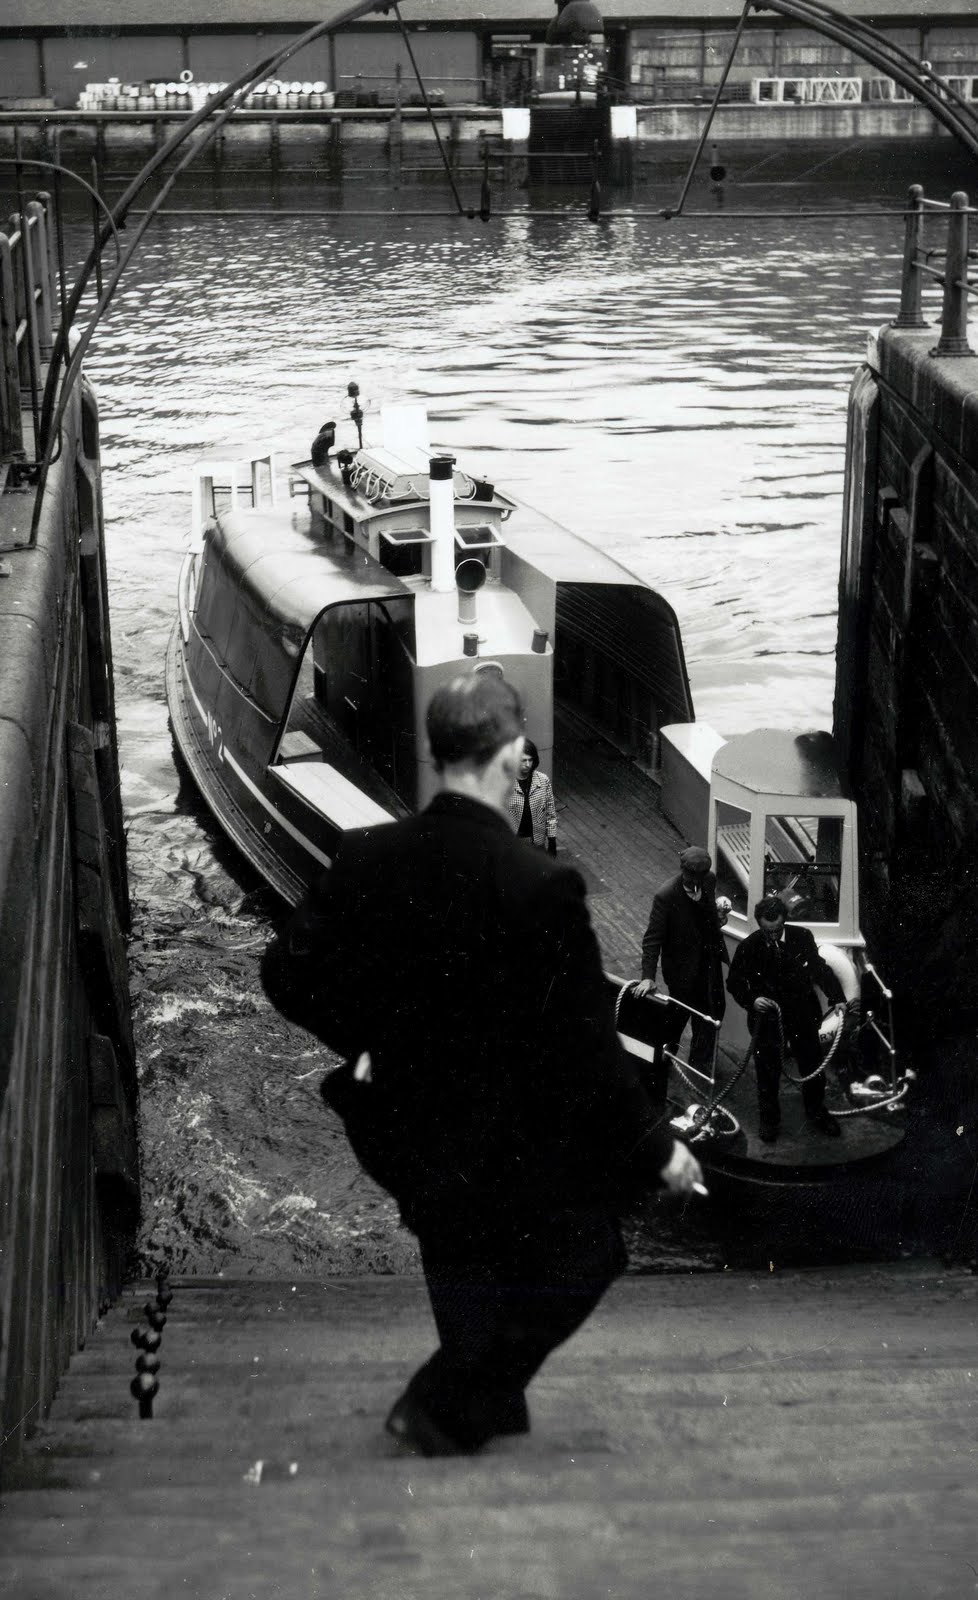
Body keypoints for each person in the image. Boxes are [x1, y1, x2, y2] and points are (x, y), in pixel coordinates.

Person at [261, 672, 702, 1456]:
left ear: (438, 757)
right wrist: (658, 1146)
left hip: (404, 1121)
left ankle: (474, 1406)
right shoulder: (540, 883)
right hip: (516, 1133)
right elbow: (586, 1043)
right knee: (588, 1252)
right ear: (510, 761)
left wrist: (369, 1041)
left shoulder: (368, 856)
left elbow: (286, 974)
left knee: (458, 1254)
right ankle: (446, 1402)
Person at [726, 894, 845, 1144]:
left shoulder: (802, 938)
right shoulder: (749, 946)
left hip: (802, 1015)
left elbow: (819, 969)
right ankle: (769, 1120)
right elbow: (734, 982)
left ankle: (817, 1112)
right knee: (767, 1072)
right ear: (759, 924)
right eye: (766, 931)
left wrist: (838, 997)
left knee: (812, 1065)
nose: (771, 936)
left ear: (784, 921)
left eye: (776, 930)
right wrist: (752, 1000)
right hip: (767, 1021)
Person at [633, 846, 728, 1105]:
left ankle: (700, 1064)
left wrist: (717, 918)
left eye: (700, 876)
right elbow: (653, 939)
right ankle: (665, 1057)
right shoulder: (666, 896)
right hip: (682, 969)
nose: (696, 881)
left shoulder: (708, 881)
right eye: (691, 876)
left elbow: (705, 913)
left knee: (713, 1010)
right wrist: (647, 976)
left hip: (708, 961)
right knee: (678, 1016)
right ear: (683, 871)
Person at [507, 737, 557, 854]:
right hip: (512, 844)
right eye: (523, 760)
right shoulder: (505, 783)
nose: (528, 764)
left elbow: (550, 814)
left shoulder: (543, 781)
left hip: (537, 844)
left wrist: (552, 840)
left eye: (530, 760)